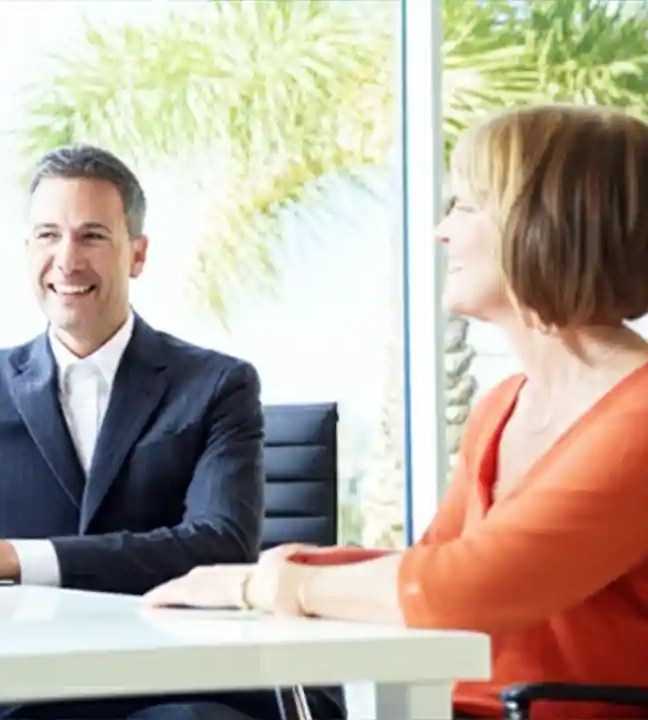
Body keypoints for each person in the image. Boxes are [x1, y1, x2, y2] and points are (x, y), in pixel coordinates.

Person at [145, 103, 648, 720]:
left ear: (543, 225)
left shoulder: (637, 418)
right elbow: (430, 567)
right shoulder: (504, 406)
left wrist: (264, 584)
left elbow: (464, 589)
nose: (441, 232)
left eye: (463, 207)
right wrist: (292, 564)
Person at [0, 144, 342, 720]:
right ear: (28, 251)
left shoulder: (217, 385)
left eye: (92, 236)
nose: (67, 260)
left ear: (138, 255)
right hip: (31, 691)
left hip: (180, 686)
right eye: (48, 235)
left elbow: (219, 543)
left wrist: (12, 560)